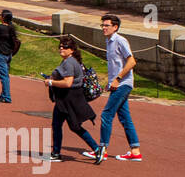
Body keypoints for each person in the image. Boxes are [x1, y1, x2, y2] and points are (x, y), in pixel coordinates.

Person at [44, 34, 102, 163]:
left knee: (67, 126)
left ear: (72, 49)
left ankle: (58, 153)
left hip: (67, 99)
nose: (61, 49)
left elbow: (68, 83)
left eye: (64, 47)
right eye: (60, 47)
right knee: (68, 126)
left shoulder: (69, 63)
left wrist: (51, 83)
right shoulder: (71, 61)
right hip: (69, 99)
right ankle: (57, 152)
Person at [98, 13, 141, 162]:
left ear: (115, 27)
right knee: (124, 117)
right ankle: (135, 151)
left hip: (123, 84)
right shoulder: (108, 41)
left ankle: (102, 149)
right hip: (117, 84)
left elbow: (131, 62)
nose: (103, 28)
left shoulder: (120, 40)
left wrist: (117, 79)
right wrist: (110, 81)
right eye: (102, 25)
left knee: (106, 114)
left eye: (106, 25)